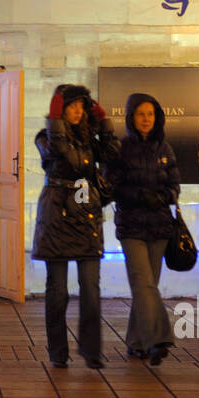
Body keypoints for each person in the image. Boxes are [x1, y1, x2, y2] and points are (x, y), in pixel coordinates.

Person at [33, 84, 120, 369]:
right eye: (71, 106)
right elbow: (64, 155)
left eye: (82, 106)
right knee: (57, 291)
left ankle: (91, 350)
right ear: (59, 110)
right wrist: (56, 121)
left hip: (86, 216)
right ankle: (58, 352)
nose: (77, 111)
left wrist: (104, 123)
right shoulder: (46, 136)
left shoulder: (90, 139)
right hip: (57, 217)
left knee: (91, 289)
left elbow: (112, 155)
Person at [108, 93, 179, 365]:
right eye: (141, 114)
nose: (146, 119)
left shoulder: (165, 149)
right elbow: (111, 185)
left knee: (146, 286)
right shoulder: (121, 148)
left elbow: (175, 186)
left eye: (150, 114)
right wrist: (139, 196)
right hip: (132, 226)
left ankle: (137, 342)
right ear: (131, 118)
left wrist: (162, 197)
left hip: (160, 227)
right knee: (143, 281)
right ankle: (157, 339)